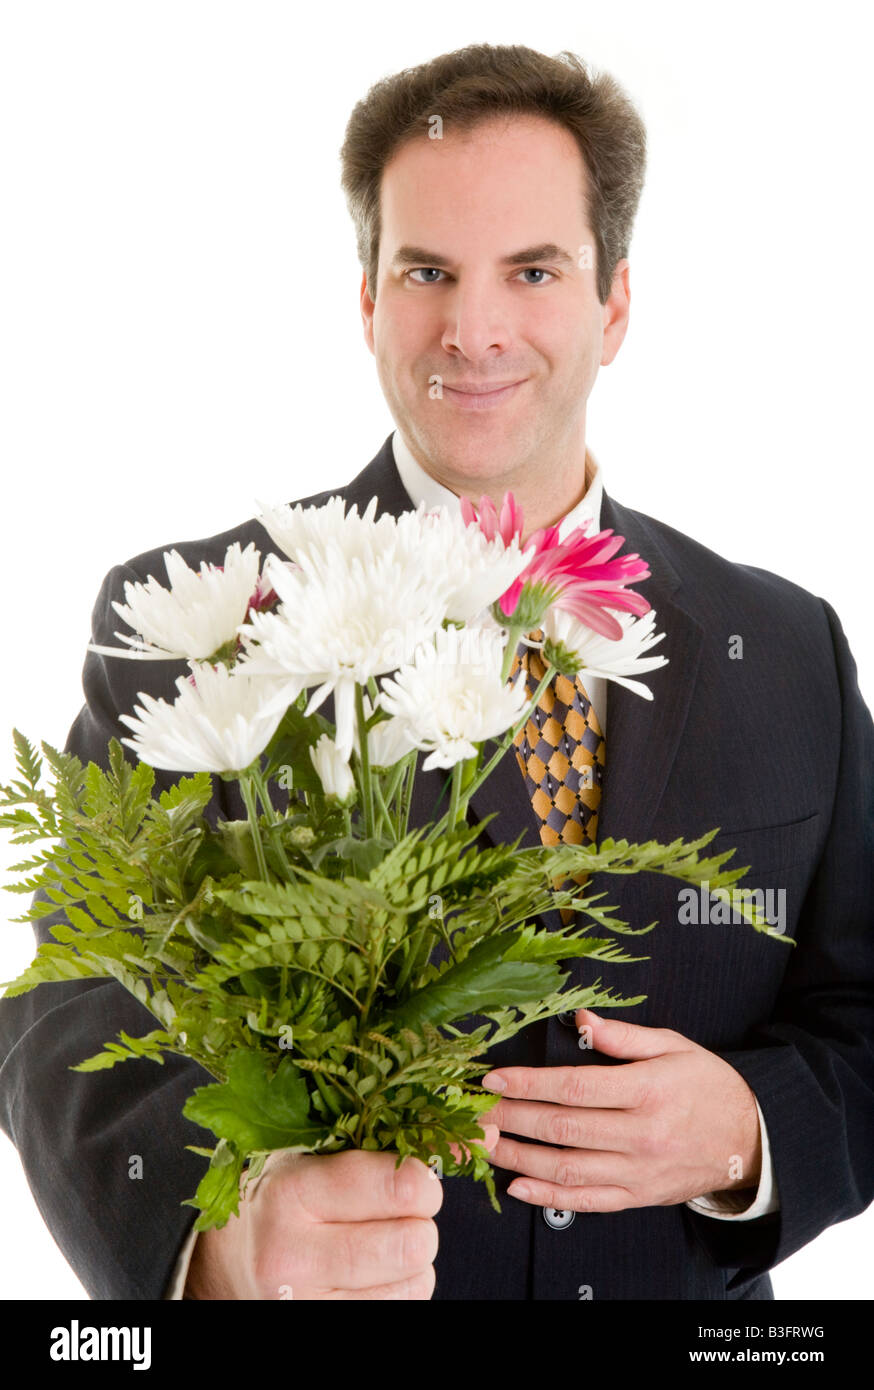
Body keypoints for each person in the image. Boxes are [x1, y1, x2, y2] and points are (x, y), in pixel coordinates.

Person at [1, 43, 872, 1302]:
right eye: (426, 272)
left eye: (533, 270)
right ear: (365, 298)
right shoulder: (202, 618)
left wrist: (754, 1131)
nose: (473, 331)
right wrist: (219, 1241)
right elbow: (66, 1004)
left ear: (613, 303)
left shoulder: (787, 646)